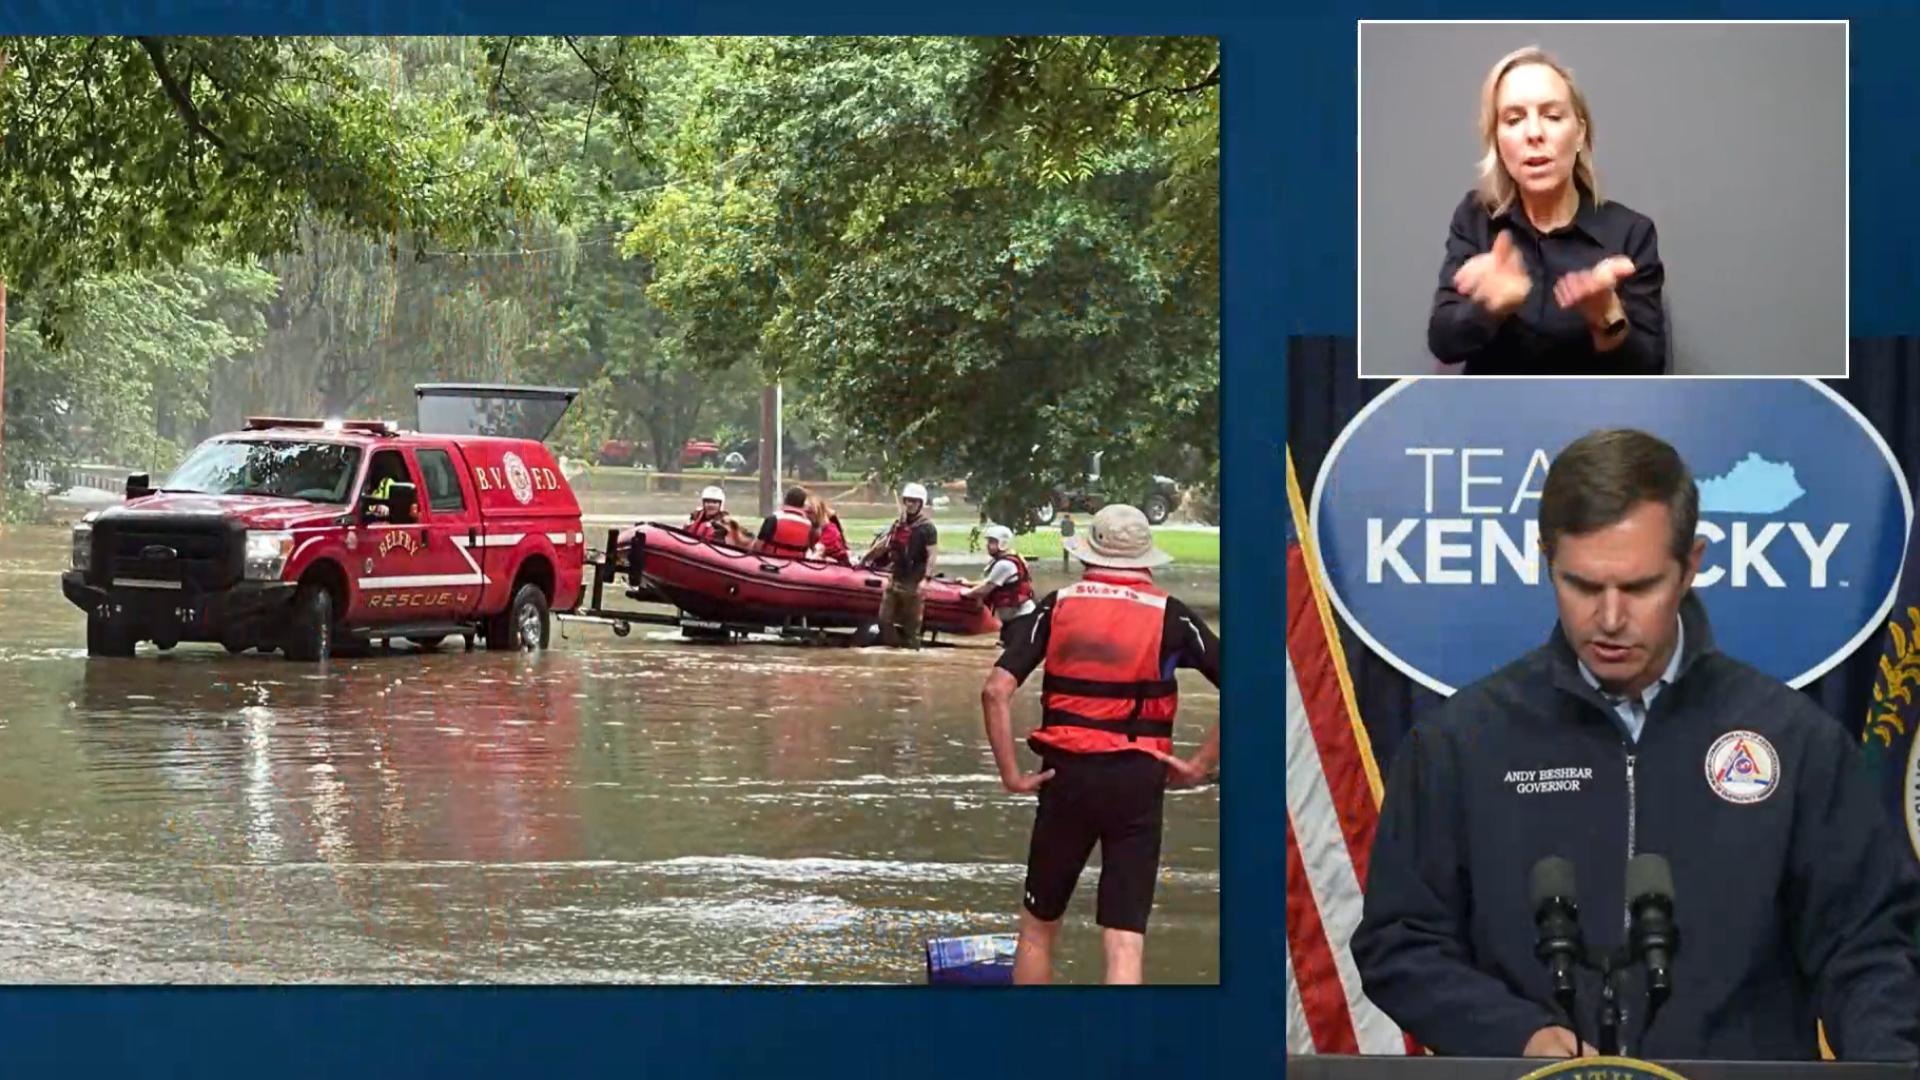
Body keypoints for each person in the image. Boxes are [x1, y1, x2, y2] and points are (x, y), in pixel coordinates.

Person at [1351, 429, 1920, 1061]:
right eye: (1583, 586)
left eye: (1640, 587)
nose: (1611, 619)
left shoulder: (1796, 742)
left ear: (1691, 565)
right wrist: (1516, 1036)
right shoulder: (1459, 743)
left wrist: (1890, 1066)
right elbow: (1400, 942)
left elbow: (1866, 950)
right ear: (1546, 561)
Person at [980, 503, 1221, 985]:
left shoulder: (1057, 605)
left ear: (1088, 553)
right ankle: (1120, 1034)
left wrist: (1012, 776)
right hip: (1139, 779)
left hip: (1065, 777)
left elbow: (995, 691)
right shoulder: (1172, 615)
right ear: (1146, 560)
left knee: (1037, 929)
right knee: (1125, 938)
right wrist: (1198, 765)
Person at [1427, 47, 1666, 375]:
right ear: (1497, 141)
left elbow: (1649, 369)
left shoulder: (1631, 233)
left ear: (1579, 133)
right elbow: (1443, 342)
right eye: (1514, 120)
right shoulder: (1476, 218)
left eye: (1552, 116)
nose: (1534, 133)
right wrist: (1487, 308)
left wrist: (1607, 317)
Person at [873, 482, 938, 649]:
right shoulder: (898, 524)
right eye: (908, 500)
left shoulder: (927, 528)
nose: (910, 504)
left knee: (912, 627)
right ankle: (894, 651)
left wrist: (926, 579)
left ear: (921, 504)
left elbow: (932, 554)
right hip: (895, 577)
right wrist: (865, 559)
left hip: (914, 581)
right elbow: (885, 545)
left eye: (914, 501)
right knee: (884, 620)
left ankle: (912, 651)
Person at [960, 524, 1038, 648]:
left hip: (1021, 620)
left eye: (992, 542)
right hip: (1012, 621)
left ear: (1003, 543)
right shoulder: (1003, 561)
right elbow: (990, 582)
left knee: (1011, 654)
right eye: (988, 541)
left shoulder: (1004, 565)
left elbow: (985, 589)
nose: (987, 545)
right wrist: (968, 583)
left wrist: (965, 594)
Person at [754, 485, 816, 559]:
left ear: (785, 500)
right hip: (796, 563)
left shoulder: (773, 519)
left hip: (771, 561)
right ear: (803, 504)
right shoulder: (809, 525)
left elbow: (758, 546)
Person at [804, 494, 851, 565]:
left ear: (818, 513)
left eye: (809, 512)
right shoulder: (810, 529)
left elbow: (818, 552)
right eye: (805, 512)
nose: (806, 516)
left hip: (839, 564)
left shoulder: (830, 530)